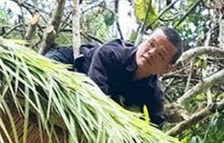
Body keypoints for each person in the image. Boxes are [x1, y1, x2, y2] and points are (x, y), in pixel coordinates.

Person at [43, 27, 185, 128]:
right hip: (69, 62)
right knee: (41, 77)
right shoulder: (111, 53)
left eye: (160, 55)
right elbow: (94, 97)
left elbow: (154, 132)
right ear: (144, 41)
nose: (151, 53)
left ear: (166, 69)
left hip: (99, 102)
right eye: (151, 44)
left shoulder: (154, 96)